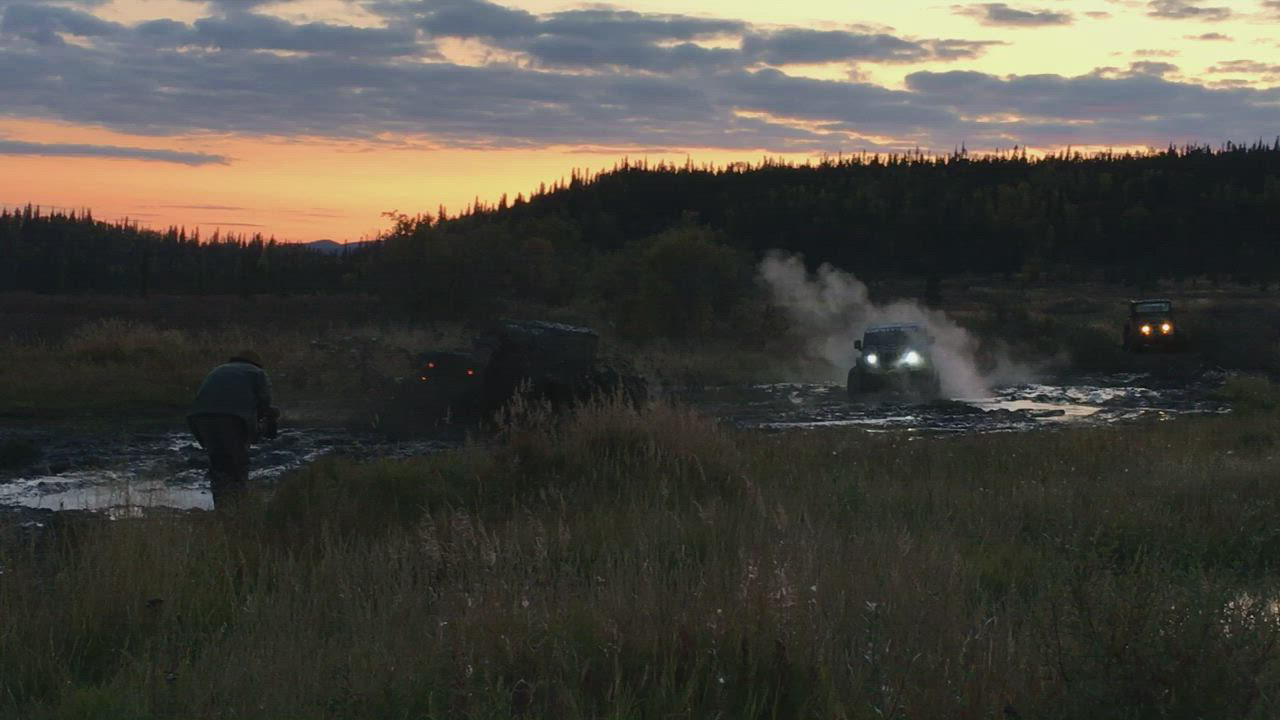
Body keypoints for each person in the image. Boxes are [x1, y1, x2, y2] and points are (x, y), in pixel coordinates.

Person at [187, 350, 279, 508]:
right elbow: (264, 401)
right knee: (238, 464)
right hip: (232, 419)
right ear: (256, 363)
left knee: (218, 463)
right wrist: (268, 421)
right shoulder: (257, 373)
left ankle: (221, 507)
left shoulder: (218, 370)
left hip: (199, 418)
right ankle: (238, 508)